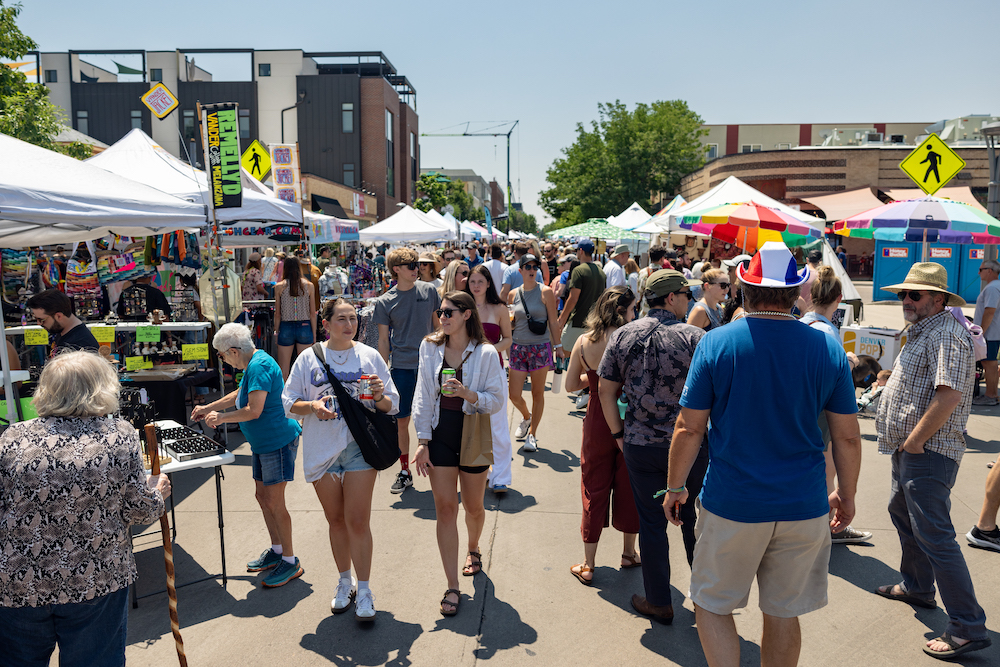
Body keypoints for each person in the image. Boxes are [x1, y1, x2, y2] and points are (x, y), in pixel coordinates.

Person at [665, 242, 862, 665]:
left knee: (713, 604)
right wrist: (847, 494)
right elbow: (847, 437)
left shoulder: (717, 343)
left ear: (744, 289)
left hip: (733, 501)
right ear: (795, 293)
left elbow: (689, 427)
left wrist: (675, 486)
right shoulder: (826, 348)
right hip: (803, 503)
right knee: (782, 612)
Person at [0, 351, 171, 666]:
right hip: (95, 577)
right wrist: (157, 493)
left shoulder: (13, 436)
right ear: (102, 388)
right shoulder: (118, 436)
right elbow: (138, 510)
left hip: (19, 581)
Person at [874, 263, 990, 659]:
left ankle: (967, 626)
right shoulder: (928, 330)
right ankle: (918, 587)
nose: (905, 300)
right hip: (912, 448)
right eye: (902, 294)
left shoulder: (946, 334)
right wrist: (891, 378)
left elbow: (949, 394)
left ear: (938, 299)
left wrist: (916, 443)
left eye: (914, 295)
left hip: (928, 452)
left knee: (937, 537)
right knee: (903, 515)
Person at [597, 270, 708, 624]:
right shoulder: (696, 338)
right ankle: (708, 599)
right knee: (693, 519)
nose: (689, 299)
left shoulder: (623, 336)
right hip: (688, 445)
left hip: (640, 443)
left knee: (651, 522)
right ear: (671, 297)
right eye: (686, 294)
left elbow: (605, 389)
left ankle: (659, 601)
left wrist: (618, 434)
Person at [282, 298, 399, 622]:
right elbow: (288, 401)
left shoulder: (369, 356)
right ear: (327, 323)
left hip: (360, 447)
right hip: (323, 450)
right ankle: (343, 581)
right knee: (335, 520)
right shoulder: (308, 358)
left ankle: (364, 589)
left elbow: (392, 405)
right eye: (342, 319)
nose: (350, 325)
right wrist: (312, 408)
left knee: (358, 521)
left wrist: (378, 396)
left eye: (353, 319)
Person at [412, 291, 505, 616]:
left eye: (450, 311)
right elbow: (423, 395)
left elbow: (497, 400)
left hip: (472, 433)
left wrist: (468, 393)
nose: (444, 317)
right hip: (440, 433)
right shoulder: (430, 347)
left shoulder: (486, 353)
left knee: (474, 507)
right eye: (441, 312)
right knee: (446, 508)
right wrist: (422, 441)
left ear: (467, 314)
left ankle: (473, 547)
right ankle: (452, 585)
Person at [193, 323, 304, 588]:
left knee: (275, 503)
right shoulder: (254, 364)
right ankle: (277, 552)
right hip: (264, 443)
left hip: (276, 441)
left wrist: (221, 417)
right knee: (263, 497)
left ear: (232, 351)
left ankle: (290, 561)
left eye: (220, 355)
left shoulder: (259, 366)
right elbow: (240, 394)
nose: (221, 361)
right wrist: (209, 406)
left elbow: (254, 410)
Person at [566, 286, 641, 586]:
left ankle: (588, 563)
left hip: (597, 418)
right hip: (628, 417)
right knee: (629, 485)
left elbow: (572, 384)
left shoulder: (584, 342)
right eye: (634, 308)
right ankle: (628, 552)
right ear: (623, 310)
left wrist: (594, 376)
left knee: (593, 486)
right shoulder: (633, 340)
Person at [799, 266, 872, 545]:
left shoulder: (801, 324)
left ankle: (822, 527)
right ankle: (828, 527)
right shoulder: (827, 333)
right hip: (821, 413)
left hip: (801, 410)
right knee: (826, 474)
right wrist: (848, 362)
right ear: (839, 299)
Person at [375, 248, 441, 494]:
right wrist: (382, 374)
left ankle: (440, 465)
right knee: (401, 422)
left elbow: (439, 327)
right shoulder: (384, 301)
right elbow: (383, 341)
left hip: (430, 365)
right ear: (396, 270)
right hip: (401, 367)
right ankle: (405, 471)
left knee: (436, 418)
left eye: (417, 265)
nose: (417, 268)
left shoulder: (430, 291)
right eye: (410, 265)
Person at [507, 254, 564, 453]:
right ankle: (526, 416)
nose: (532, 269)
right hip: (518, 348)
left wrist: (558, 347)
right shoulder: (513, 294)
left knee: (537, 393)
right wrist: (510, 322)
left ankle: (532, 434)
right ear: (520, 270)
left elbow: (554, 322)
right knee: (514, 395)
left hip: (540, 348)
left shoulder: (546, 292)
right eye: (527, 266)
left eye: (535, 266)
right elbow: (511, 323)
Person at [466, 265, 514, 493]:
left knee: (498, 425)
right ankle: (479, 471)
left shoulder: (499, 308)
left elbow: (508, 340)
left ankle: (501, 477)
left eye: (480, 282)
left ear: (488, 284)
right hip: (467, 372)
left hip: (494, 371)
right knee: (472, 424)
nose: (476, 286)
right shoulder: (462, 308)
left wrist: (489, 349)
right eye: (472, 281)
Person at [557, 240, 606, 356]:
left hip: (578, 321)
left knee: (563, 349)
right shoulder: (601, 272)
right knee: (585, 356)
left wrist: (561, 319)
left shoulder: (578, 270)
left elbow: (573, 298)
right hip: (594, 322)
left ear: (581, 251)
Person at [274, 256, 318, 379]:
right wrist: (313, 334)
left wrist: (276, 332)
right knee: (305, 367)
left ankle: (284, 396)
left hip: (285, 326)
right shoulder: (309, 286)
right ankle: (304, 395)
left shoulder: (279, 286)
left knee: (284, 369)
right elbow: (312, 313)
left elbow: (277, 314)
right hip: (305, 325)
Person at [26, 288, 100, 354]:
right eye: (35, 318)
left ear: (59, 316)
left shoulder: (80, 345)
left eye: (41, 320)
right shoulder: (62, 331)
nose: (38, 323)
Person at [972, 259, 1000, 406]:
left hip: (990, 333)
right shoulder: (995, 287)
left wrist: (980, 333)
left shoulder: (992, 288)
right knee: (991, 363)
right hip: (993, 332)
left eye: (981, 269)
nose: (978, 272)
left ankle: (990, 395)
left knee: (989, 363)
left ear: (989, 270)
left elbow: (989, 312)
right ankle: (993, 394)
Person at [795, 248, 823, 314]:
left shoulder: (798, 274)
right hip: (814, 315)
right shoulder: (820, 276)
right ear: (820, 262)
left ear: (807, 259)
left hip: (797, 314)